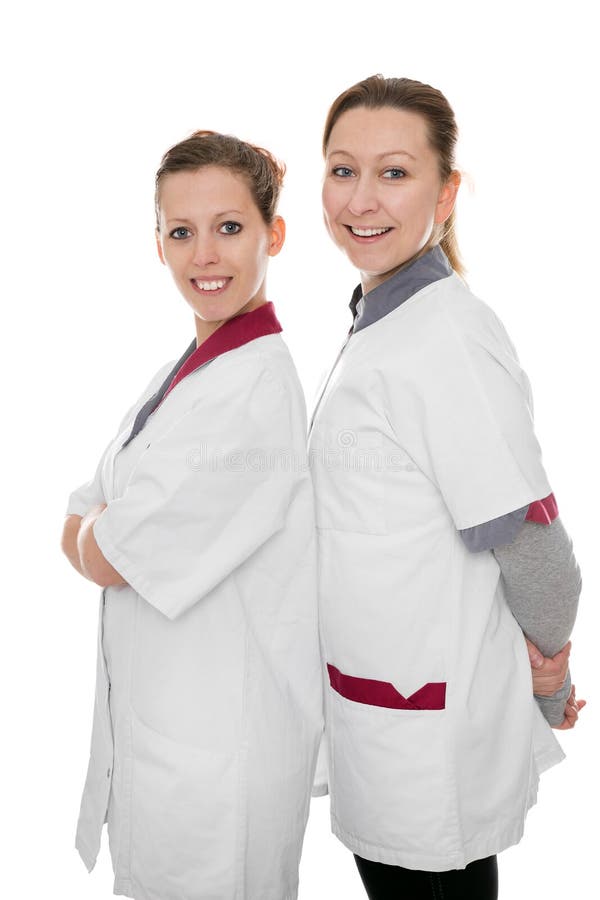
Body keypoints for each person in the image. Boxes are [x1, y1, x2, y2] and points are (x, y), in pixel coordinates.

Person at [308, 75, 584, 900]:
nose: (362, 199)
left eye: (394, 172)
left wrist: (550, 679)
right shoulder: (382, 320)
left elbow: (537, 552)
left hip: (425, 741)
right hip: (384, 717)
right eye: (343, 169)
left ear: (447, 192)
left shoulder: (446, 338)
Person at [61, 131, 322, 900]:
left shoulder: (252, 395)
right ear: (158, 244)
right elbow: (86, 509)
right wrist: (95, 525)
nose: (205, 255)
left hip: (220, 769)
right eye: (182, 232)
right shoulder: (187, 373)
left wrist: (93, 530)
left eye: (230, 227)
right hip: (171, 749)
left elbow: (104, 550)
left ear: (275, 234)